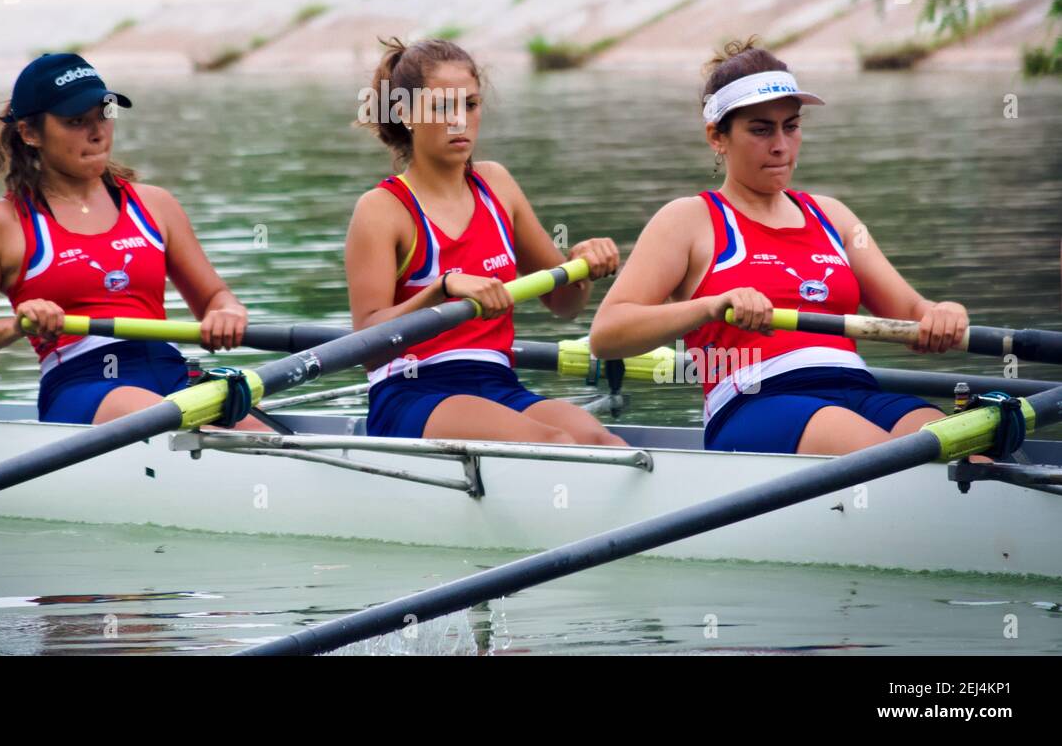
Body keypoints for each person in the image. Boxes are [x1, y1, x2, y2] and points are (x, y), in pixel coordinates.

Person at [589, 38, 971, 456]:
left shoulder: (833, 217)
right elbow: (607, 335)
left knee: (969, 455)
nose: (780, 146)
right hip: (757, 401)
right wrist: (711, 305)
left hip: (858, 391)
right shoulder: (688, 220)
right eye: (760, 129)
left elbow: (913, 316)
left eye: (791, 126)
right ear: (717, 137)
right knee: (901, 462)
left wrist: (943, 313)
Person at [0, 52, 264, 428]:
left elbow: (214, 297)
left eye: (103, 115)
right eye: (75, 122)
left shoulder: (156, 205)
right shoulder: (0, 225)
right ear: (30, 133)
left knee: (269, 444)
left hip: (171, 374)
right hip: (82, 386)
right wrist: (15, 325)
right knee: (167, 420)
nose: (97, 132)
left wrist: (227, 313)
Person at [346, 37, 623, 446]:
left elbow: (566, 304)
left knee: (604, 444)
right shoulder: (382, 209)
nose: (459, 120)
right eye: (441, 106)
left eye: (470, 105)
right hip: (412, 391)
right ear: (404, 112)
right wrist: (441, 290)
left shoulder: (497, 185)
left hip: (497, 383)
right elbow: (367, 348)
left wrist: (584, 262)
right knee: (557, 445)